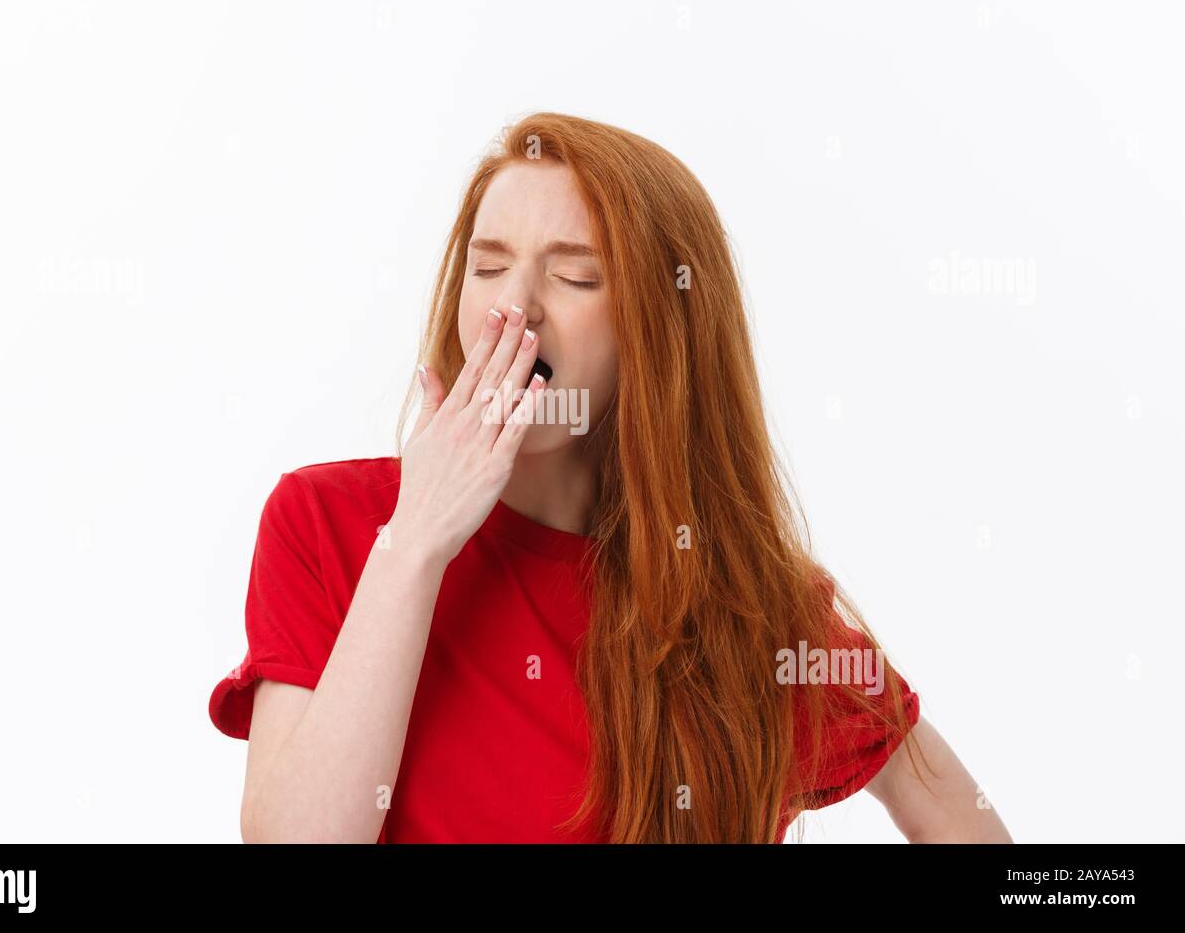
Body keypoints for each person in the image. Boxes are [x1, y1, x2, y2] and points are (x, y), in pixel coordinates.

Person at [208, 112, 1013, 844]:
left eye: (576, 278)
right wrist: (415, 539)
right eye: (487, 267)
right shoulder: (324, 523)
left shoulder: (755, 607)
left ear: (659, 334)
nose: (514, 309)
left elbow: (957, 816)